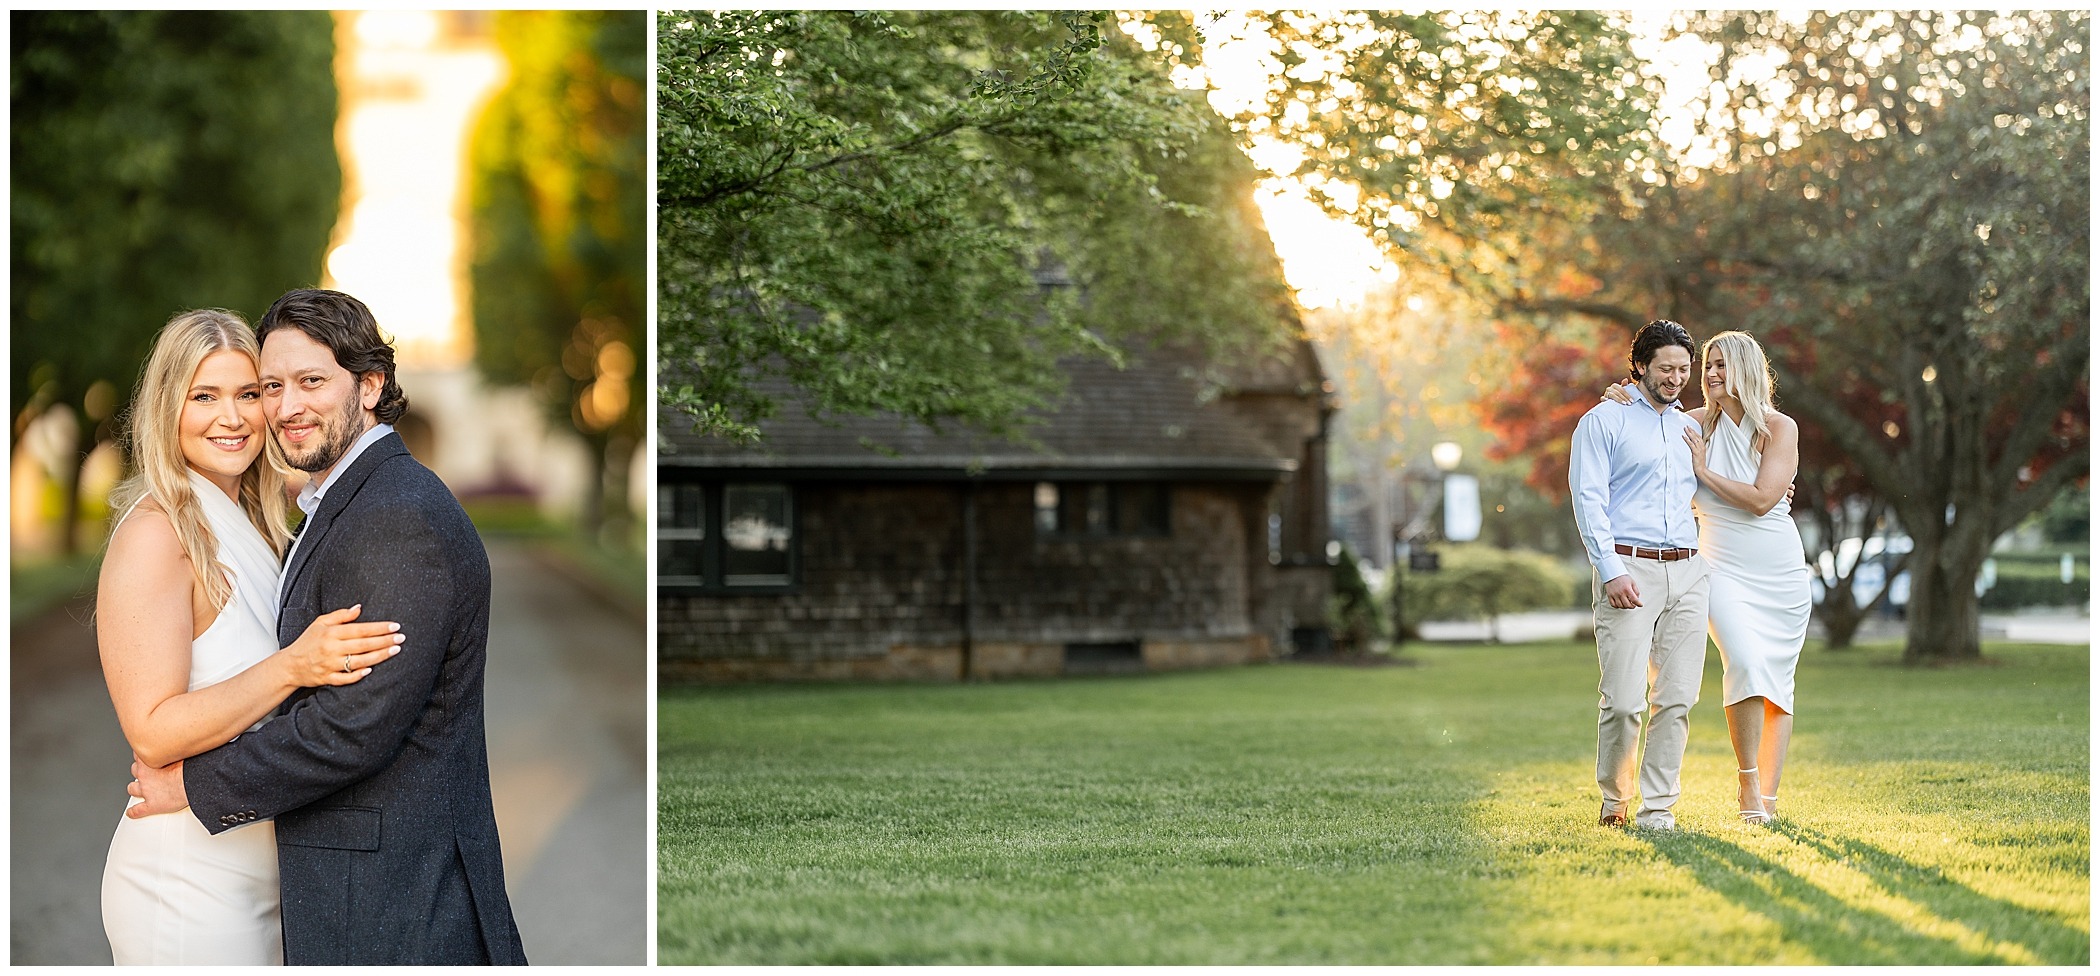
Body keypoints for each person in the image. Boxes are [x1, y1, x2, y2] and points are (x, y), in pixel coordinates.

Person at [127, 289, 529, 964]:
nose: (287, 408)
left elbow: (353, 727)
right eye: (273, 386)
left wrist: (194, 784)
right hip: (348, 892)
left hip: (394, 901)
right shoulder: (343, 502)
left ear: (369, 386)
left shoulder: (397, 517)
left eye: (312, 382)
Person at [97, 308, 405, 965]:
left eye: (250, 394)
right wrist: (293, 667)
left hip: (262, 871)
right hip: (185, 881)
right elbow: (150, 730)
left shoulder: (260, 524)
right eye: (204, 397)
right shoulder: (158, 534)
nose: (232, 418)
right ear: (166, 406)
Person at [1604, 330, 1807, 825]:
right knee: (1745, 660)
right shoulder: (1690, 424)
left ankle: (1769, 801)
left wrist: (1703, 471)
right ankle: (1747, 784)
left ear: (1746, 371)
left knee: (1778, 680)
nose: (1710, 375)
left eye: (1721, 366)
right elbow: (1641, 420)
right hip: (1718, 565)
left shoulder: (1780, 429)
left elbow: (1763, 500)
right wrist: (1621, 395)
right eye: (1708, 365)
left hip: (1779, 566)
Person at [1569, 319, 1710, 832]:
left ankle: (1658, 808)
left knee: (1676, 698)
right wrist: (1610, 570)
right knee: (1626, 700)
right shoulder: (1604, 420)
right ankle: (1615, 799)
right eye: (1666, 368)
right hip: (1628, 570)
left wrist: (1775, 494)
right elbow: (1589, 500)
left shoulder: (1690, 427)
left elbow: (1719, 482)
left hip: (1689, 572)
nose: (1676, 379)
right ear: (1640, 366)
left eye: (1683, 370)